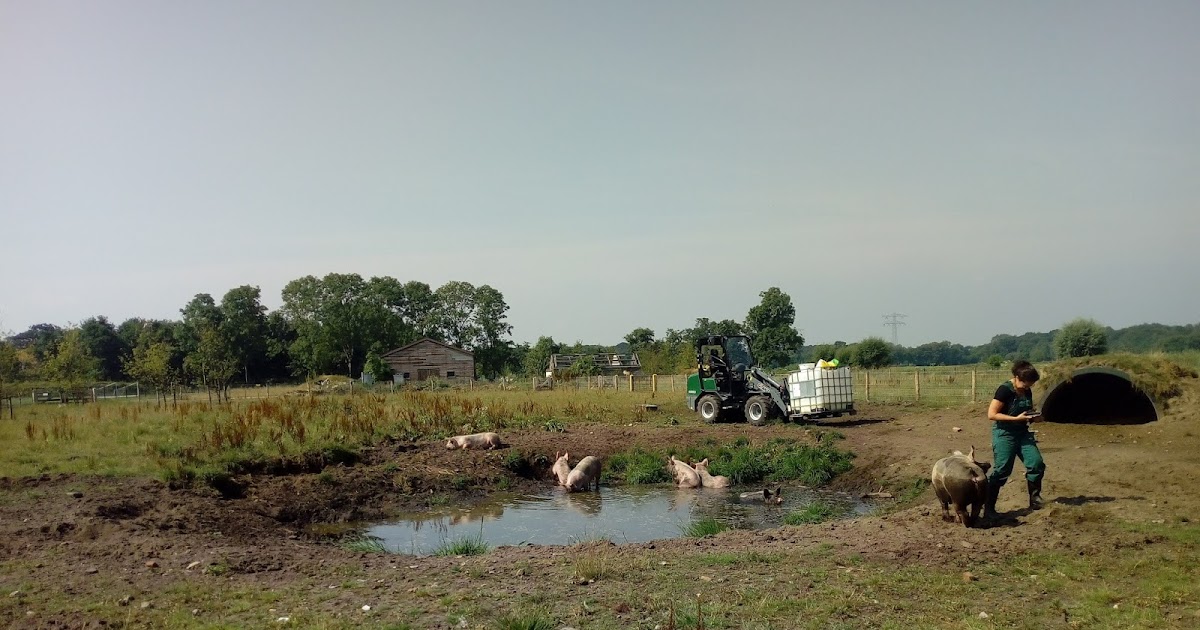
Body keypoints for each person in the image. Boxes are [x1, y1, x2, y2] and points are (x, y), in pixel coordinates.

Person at [983, 360, 1046, 519]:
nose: (1028, 387)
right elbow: (992, 414)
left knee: (1036, 463)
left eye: (1030, 385)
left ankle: (1035, 499)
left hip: (1022, 432)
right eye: (1025, 384)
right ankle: (989, 508)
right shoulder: (1004, 390)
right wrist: (1015, 418)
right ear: (1017, 377)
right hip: (1005, 433)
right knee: (1002, 470)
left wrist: (1033, 417)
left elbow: (1026, 411)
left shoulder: (1027, 391)